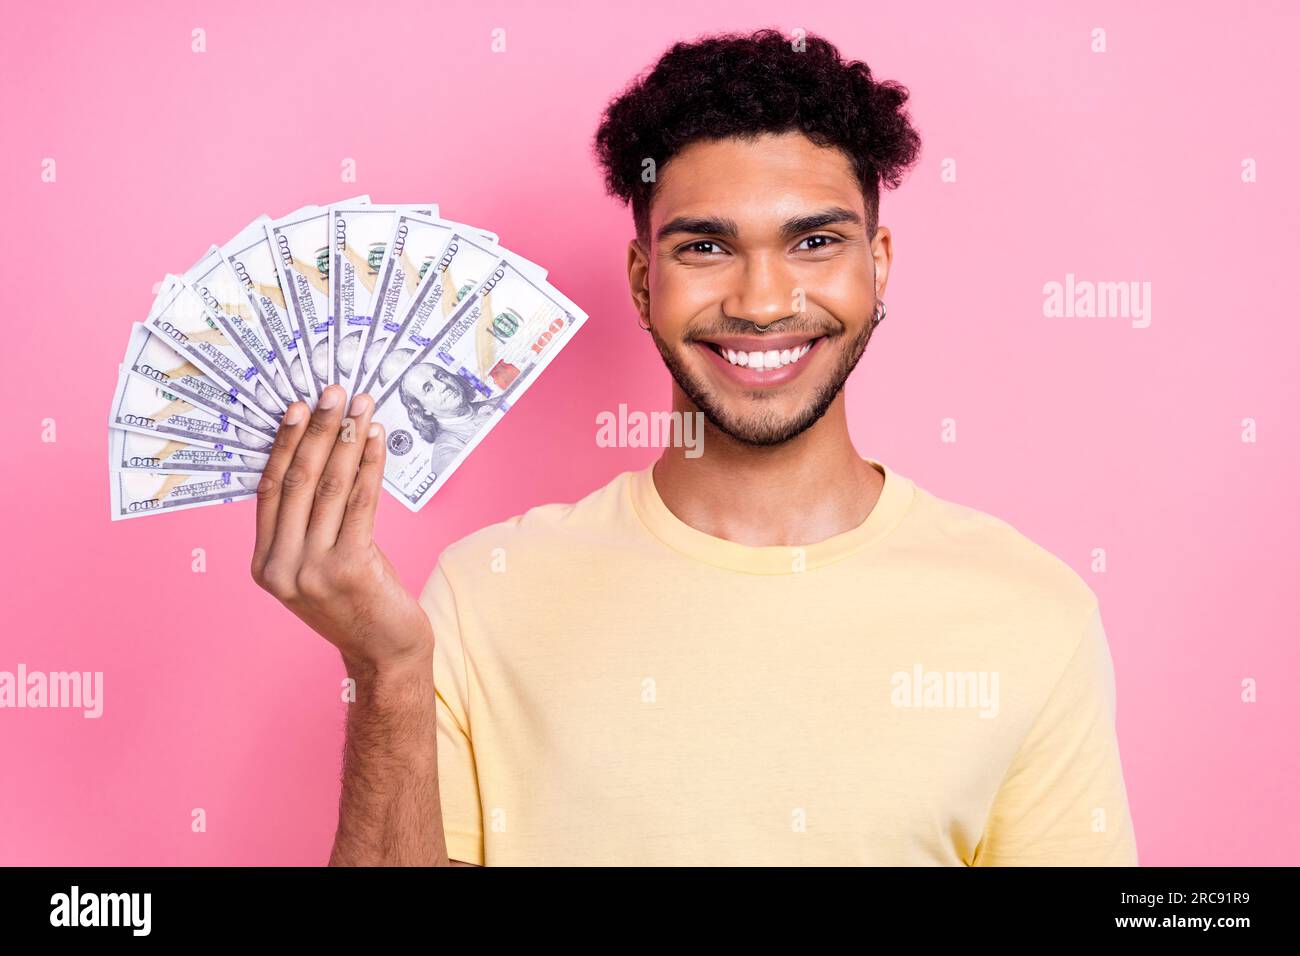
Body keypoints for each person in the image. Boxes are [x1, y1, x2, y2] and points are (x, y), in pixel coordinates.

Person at [250, 29, 1138, 866]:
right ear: (644, 282)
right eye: (707, 246)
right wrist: (387, 667)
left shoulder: (1031, 613)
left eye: (816, 242)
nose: (760, 301)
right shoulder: (483, 596)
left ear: (879, 266)